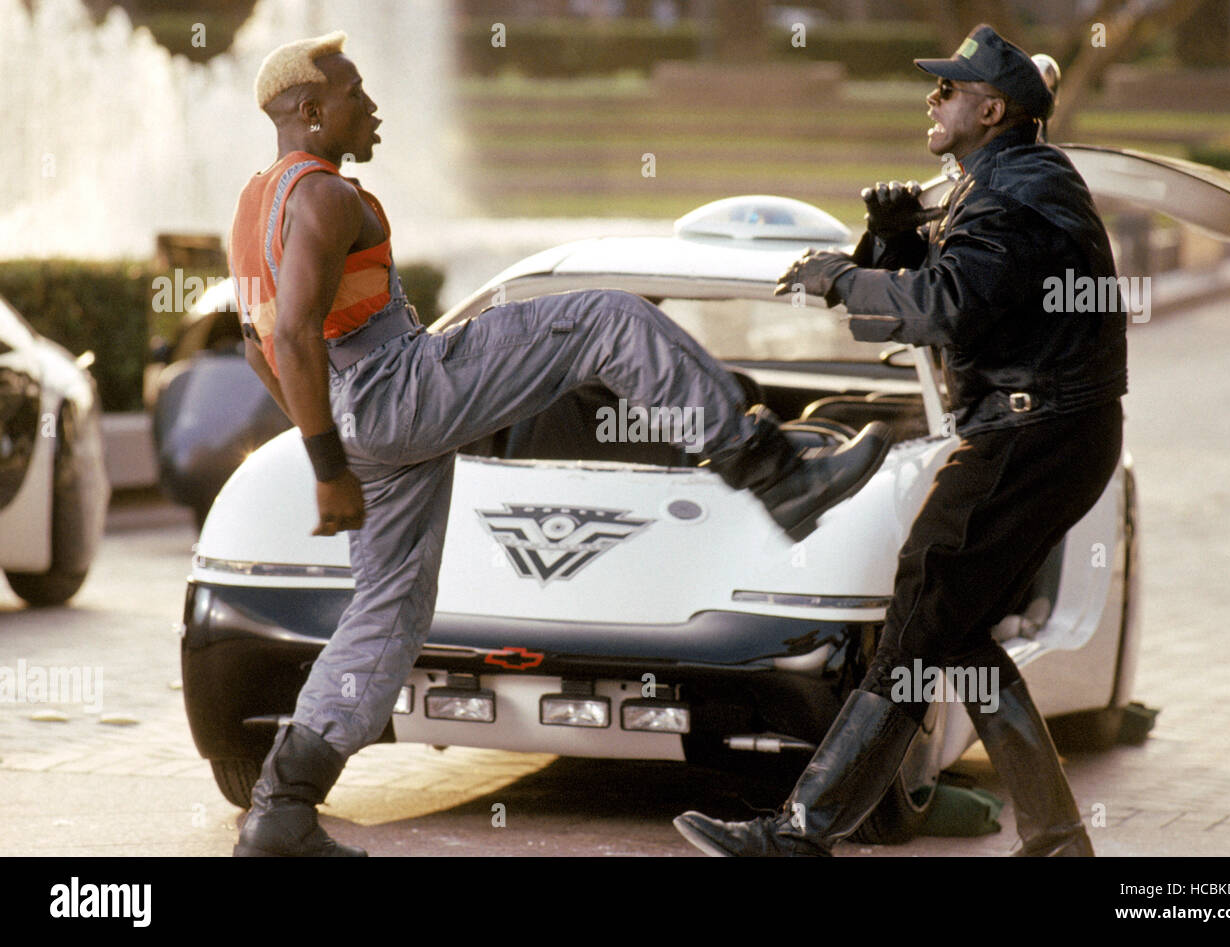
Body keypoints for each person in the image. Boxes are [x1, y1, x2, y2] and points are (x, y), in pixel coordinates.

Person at [225, 32, 892, 857]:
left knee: (387, 614)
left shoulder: (254, 204)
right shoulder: (323, 196)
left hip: (360, 416)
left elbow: (260, 346)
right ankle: (772, 472)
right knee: (606, 320)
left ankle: (282, 808)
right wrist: (331, 464)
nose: (375, 106)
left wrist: (342, 441)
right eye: (358, 94)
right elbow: (288, 333)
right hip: (391, 389)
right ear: (313, 110)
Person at [674, 24, 1126, 857]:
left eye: (948, 89)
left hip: (1032, 432)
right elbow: (955, 292)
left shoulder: (1014, 196)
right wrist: (893, 237)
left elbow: (945, 307)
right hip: (1046, 428)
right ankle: (1059, 840)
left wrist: (846, 274)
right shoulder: (1001, 182)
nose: (932, 96)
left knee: (923, 610)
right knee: (952, 627)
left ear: (991, 108)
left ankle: (802, 832)